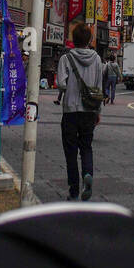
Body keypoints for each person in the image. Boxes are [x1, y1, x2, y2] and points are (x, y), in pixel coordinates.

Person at [56, 22, 103, 200]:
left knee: (70, 151)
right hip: (89, 110)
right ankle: (88, 174)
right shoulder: (97, 59)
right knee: (86, 147)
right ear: (89, 40)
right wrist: (98, 111)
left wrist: (70, 88)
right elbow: (99, 87)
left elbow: (61, 83)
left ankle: (73, 189)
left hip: (70, 110)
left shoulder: (65, 59)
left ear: (73, 40)